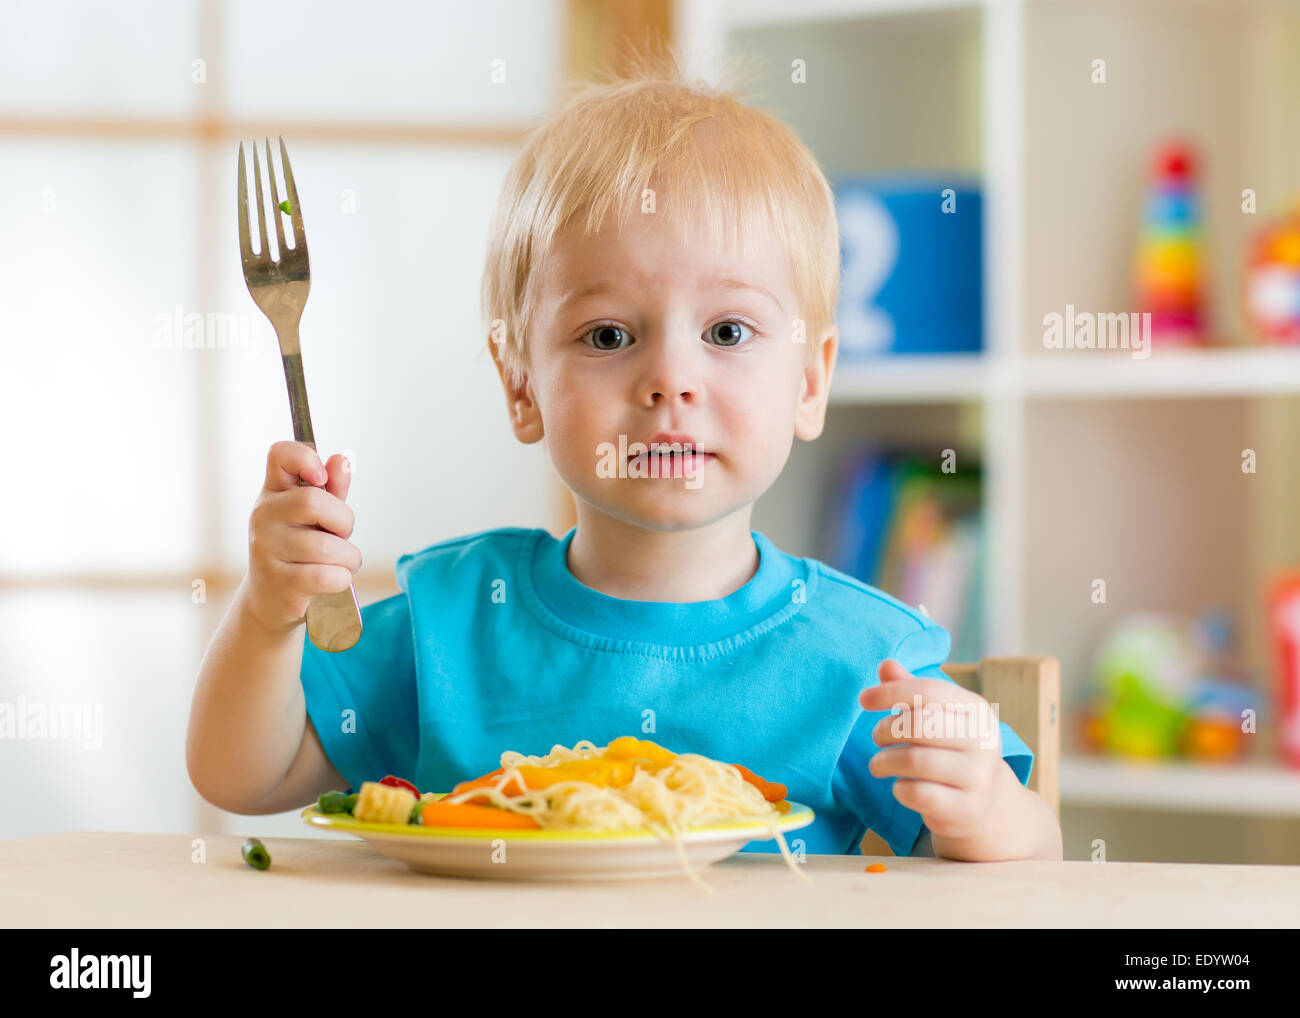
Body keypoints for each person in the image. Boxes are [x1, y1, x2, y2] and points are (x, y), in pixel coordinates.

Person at [187, 48, 1062, 862]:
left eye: (727, 331)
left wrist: (984, 806)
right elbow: (244, 776)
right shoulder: (451, 620)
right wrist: (270, 615)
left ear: (808, 380)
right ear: (520, 383)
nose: (670, 379)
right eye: (609, 334)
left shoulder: (859, 660)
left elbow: (1037, 864)